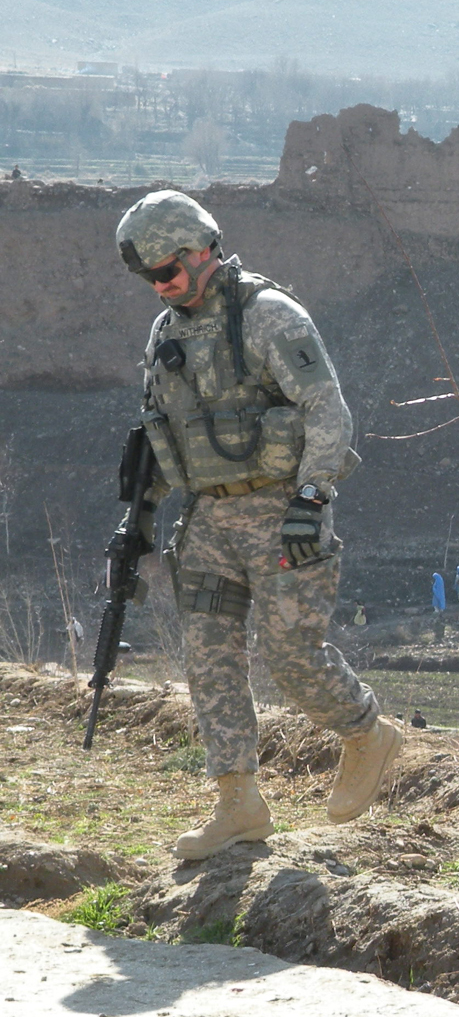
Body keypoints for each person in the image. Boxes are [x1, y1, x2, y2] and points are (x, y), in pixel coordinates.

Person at [113, 190, 400, 861]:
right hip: (208, 520)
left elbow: (328, 411)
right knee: (209, 659)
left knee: (291, 656)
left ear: (200, 250)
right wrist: (139, 523)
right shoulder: (167, 335)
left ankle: (365, 733)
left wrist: (312, 497)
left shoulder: (271, 318)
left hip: (280, 516)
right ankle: (237, 803)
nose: (160, 289)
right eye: (150, 279)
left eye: (167, 273)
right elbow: (159, 433)